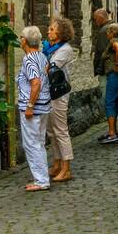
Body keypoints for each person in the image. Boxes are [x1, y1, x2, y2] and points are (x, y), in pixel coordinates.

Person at [17, 25, 52, 192]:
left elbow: (36, 83)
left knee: (32, 144)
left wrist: (30, 105)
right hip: (44, 106)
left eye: (20, 38)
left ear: (24, 41)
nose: (19, 40)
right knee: (39, 143)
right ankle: (42, 177)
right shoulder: (42, 56)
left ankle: (41, 180)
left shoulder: (29, 59)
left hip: (33, 108)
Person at [92, 6, 118, 142]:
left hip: (111, 73)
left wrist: (115, 65)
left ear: (100, 18)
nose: (94, 21)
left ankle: (112, 132)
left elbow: (104, 52)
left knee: (109, 102)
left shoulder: (106, 31)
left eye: (95, 19)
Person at [46, 16, 75, 184]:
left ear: (61, 32)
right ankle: (57, 163)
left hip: (59, 94)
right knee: (51, 130)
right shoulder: (52, 48)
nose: (48, 31)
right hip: (49, 93)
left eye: (52, 29)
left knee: (61, 130)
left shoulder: (65, 49)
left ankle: (66, 168)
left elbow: (49, 68)